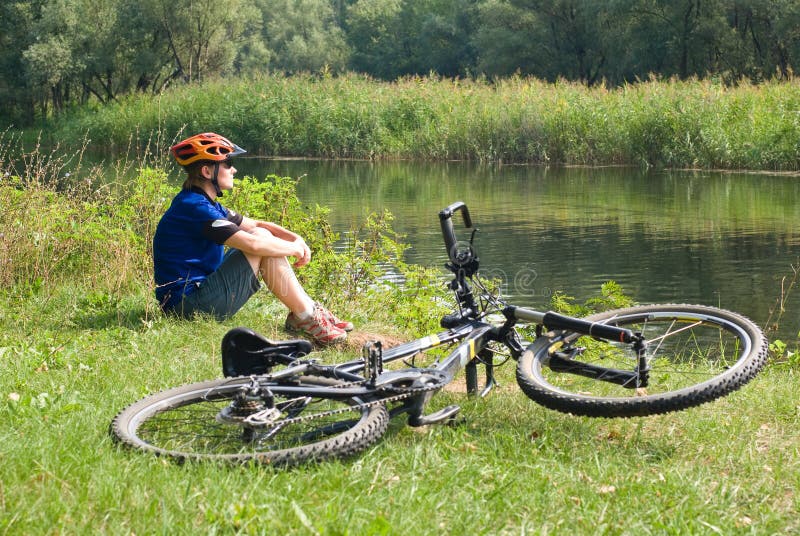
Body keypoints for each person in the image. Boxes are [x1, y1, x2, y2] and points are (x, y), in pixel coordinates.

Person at [153, 132, 352, 344]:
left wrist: (297, 238)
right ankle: (305, 316)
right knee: (261, 242)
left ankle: (307, 313)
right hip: (187, 308)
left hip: (196, 299)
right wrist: (293, 249)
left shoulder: (203, 203)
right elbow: (254, 243)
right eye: (228, 163)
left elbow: (256, 225)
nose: (234, 169)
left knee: (263, 237)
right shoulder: (194, 207)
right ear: (206, 170)